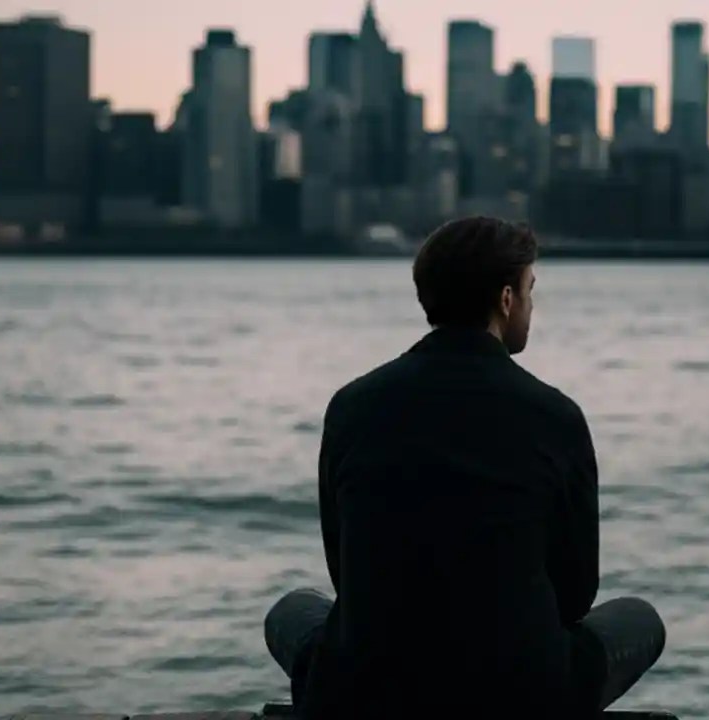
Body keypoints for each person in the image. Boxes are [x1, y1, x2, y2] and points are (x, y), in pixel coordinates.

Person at [263, 216, 666, 719]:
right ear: (506, 300)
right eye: (530, 291)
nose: (531, 307)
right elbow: (575, 593)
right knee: (640, 619)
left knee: (292, 610)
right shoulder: (555, 416)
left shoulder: (352, 405)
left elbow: (347, 573)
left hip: (364, 693)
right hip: (523, 697)